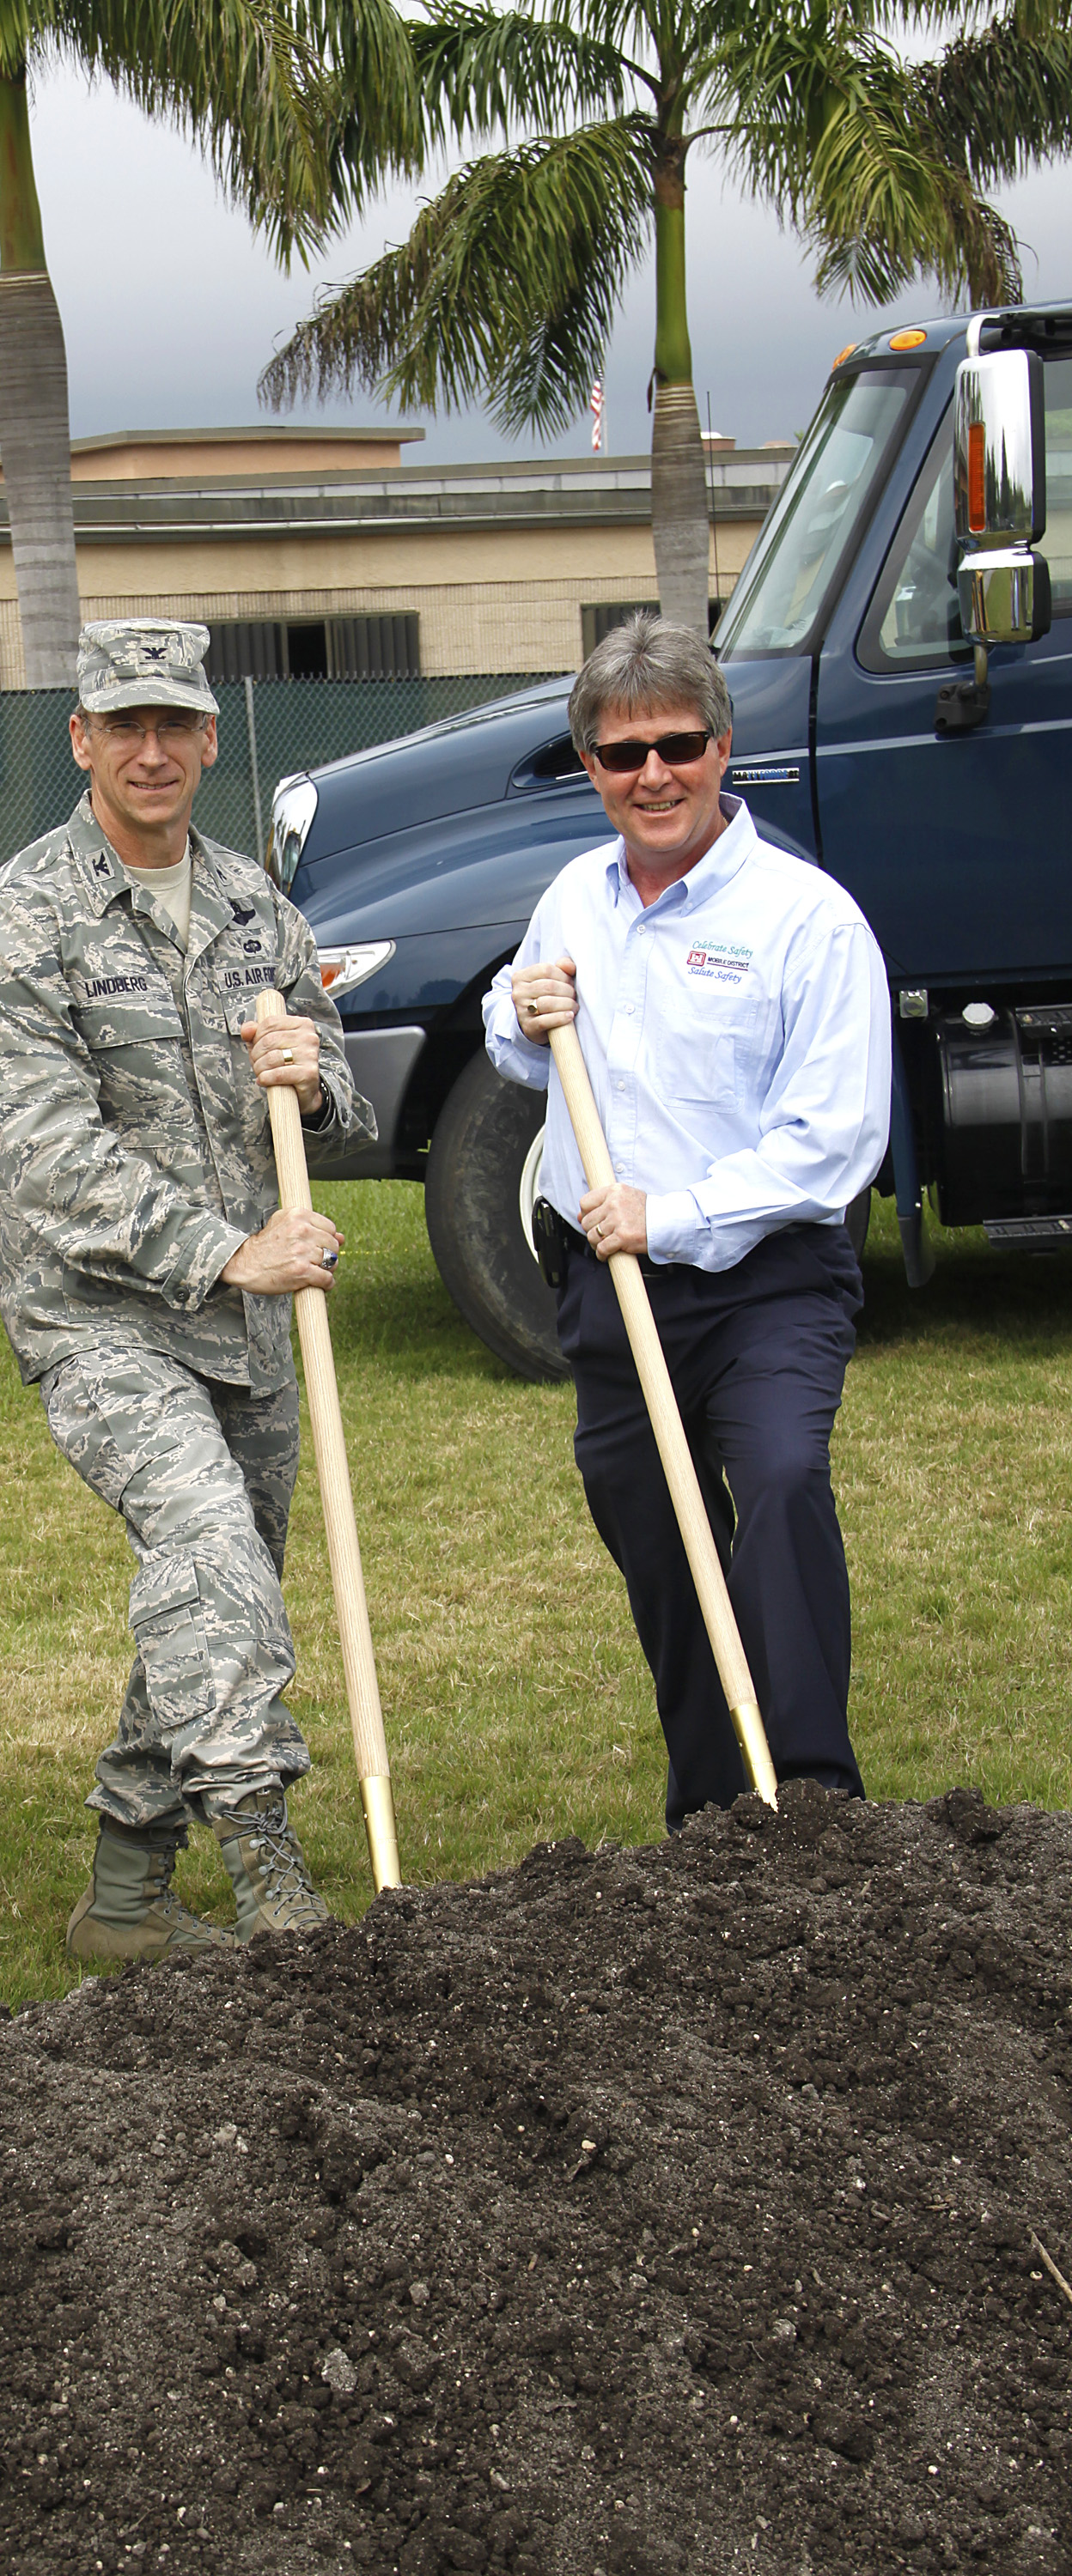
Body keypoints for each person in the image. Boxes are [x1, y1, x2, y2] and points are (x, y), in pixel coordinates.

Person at [0, 617, 376, 1962]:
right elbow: (46, 1158)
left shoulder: (261, 906)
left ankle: (125, 1892)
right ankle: (266, 1865)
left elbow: (342, 1101)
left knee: (219, 1583)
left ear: (208, 738)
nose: (150, 749)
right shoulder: (19, 918)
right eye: (120, 725)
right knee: (208, 1547)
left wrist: (316, 1073)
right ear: (81, 740)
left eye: (172, 724)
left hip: (250, 1323)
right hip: (104, 1316)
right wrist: (222, 1252)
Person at [485, 613, 890, 1827]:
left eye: (676, 744)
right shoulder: (574, 897)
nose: (651, 775)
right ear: (591, 767)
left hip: (766, 1280)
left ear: (722, 748)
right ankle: (714, 1811)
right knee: (657, 1534)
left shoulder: (804, 919)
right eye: (620, 754)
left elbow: (832, 1146)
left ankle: (814, 1793)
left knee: (775, 1483)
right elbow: (523, 1054)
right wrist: (519, 1005)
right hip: (609, 1293)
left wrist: (670, 1214)